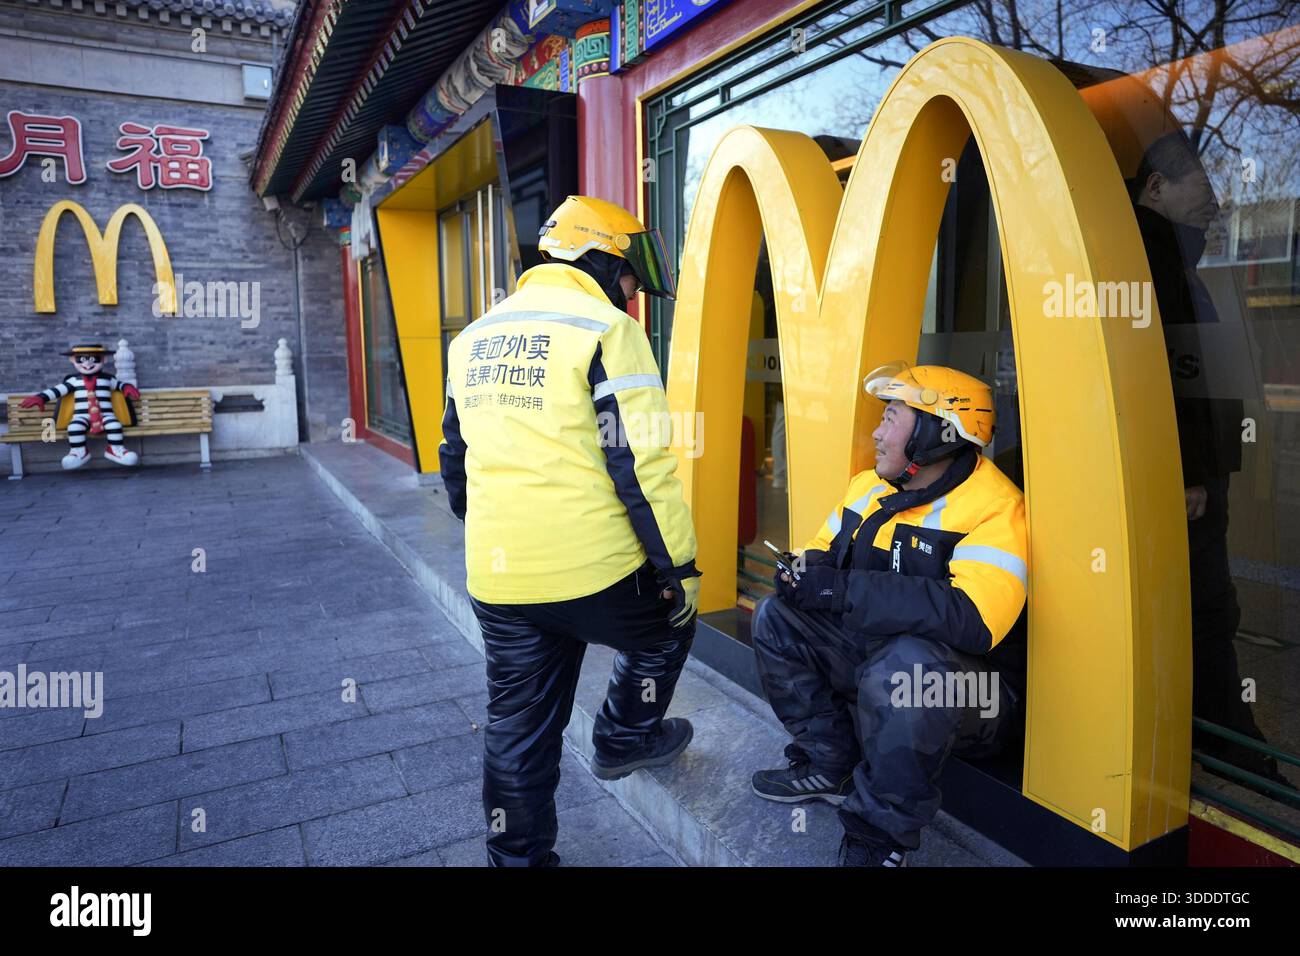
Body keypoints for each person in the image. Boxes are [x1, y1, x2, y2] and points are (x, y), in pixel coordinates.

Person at [438, 195, 702, 867]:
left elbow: (455, 457)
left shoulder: (472, 338)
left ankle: (517, 859)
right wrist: (678, 570)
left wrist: (494, 525)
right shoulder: (606, 329)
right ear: (607, 261)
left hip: (500, 574)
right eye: (632, 279)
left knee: (518, 727)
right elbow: (639, 463)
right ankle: (621, 738)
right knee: (669, 629)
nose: (634, 294)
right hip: (598, 571)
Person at [749, 363, 1028, 866]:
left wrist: (843, 589)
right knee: (775, 618)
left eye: (892, 418)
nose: (877, 432)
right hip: (881, 665)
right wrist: (802, 573)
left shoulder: (997, 508)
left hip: (974, 696)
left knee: (906, 668)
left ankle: (878, 839)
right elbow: (821, 552)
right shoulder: (869, 486)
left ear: (937, 432)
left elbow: (975, 618)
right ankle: (830, 761)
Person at [1129, 131, 1292, 793]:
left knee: (1204, 604)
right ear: (1157, 185)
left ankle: (1214, 734)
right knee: (1205, 605)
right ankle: (1225, 741)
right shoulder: (1151, 248)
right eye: (1199, 178)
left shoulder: (1173, 251)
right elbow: (1164, 364)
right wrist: (1190, 467)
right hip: (1183, 474)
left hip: (1195, 467)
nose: (1216, 195)